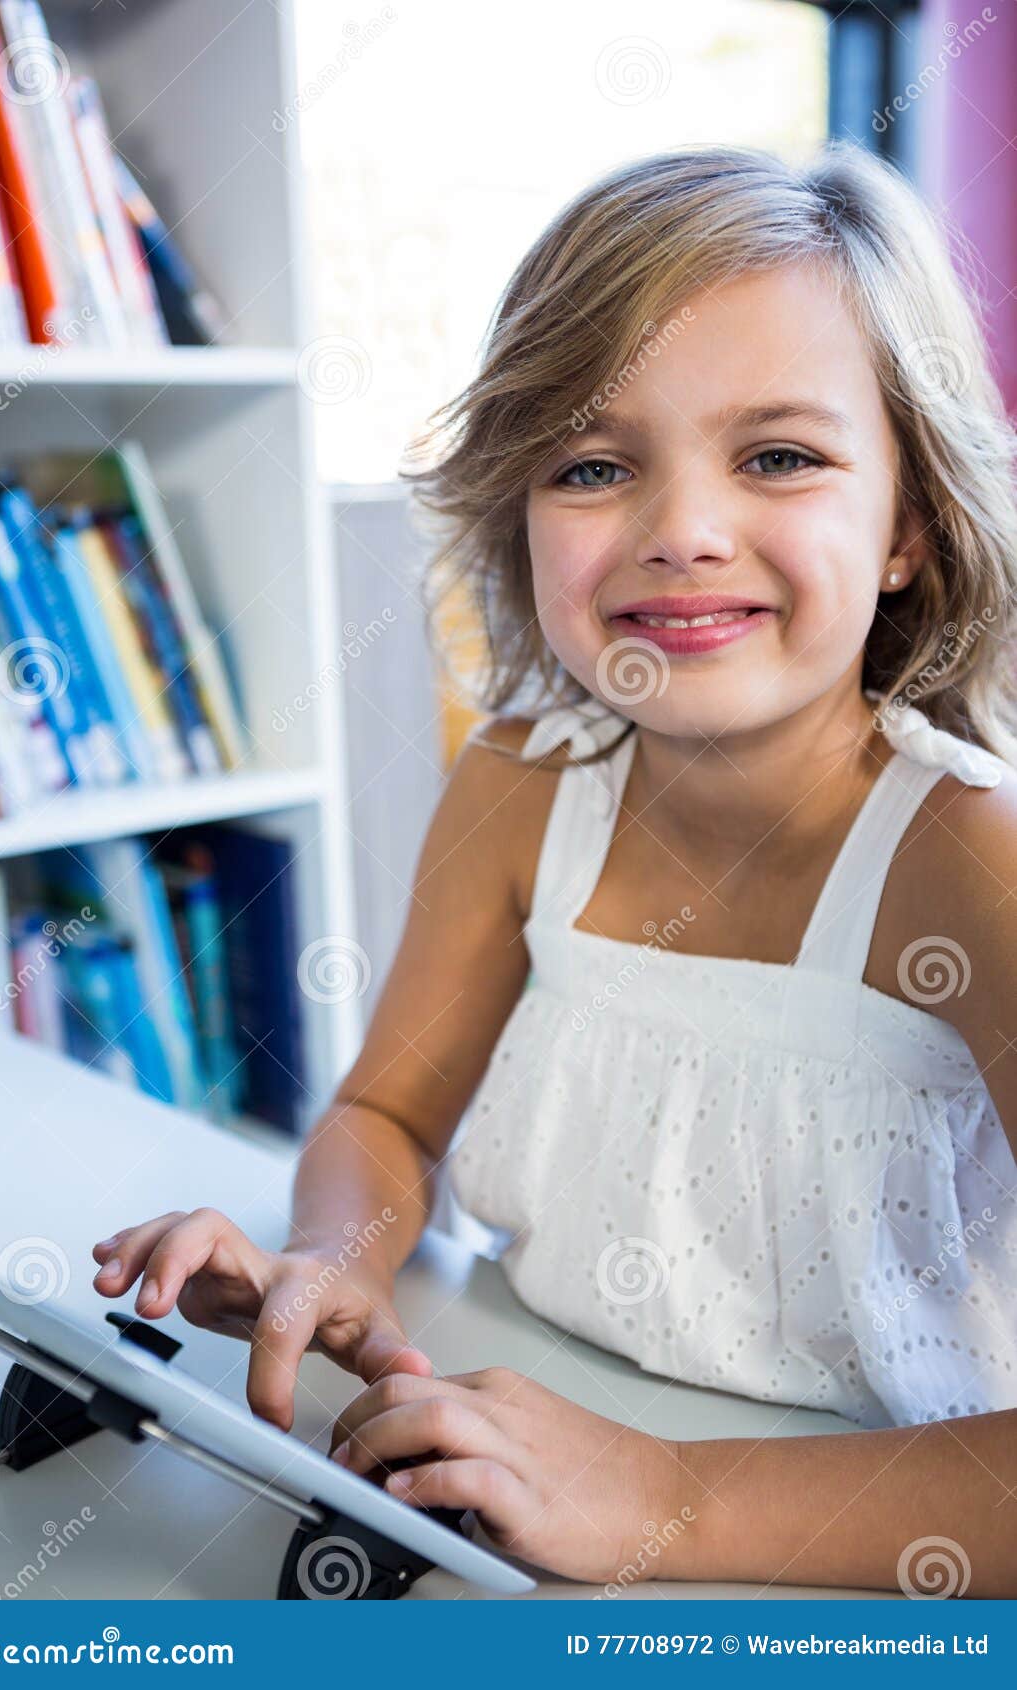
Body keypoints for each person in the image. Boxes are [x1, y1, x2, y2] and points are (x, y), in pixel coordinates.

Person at [92, 142, 1017, 1597]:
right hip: (542, 1478)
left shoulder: (973, 859)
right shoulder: (522, 785)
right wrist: (335, 1262)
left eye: (779, 455)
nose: (682, 533)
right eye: (593, 466)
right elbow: (388, 1113)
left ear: (907, 523)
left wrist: (669, 1498)